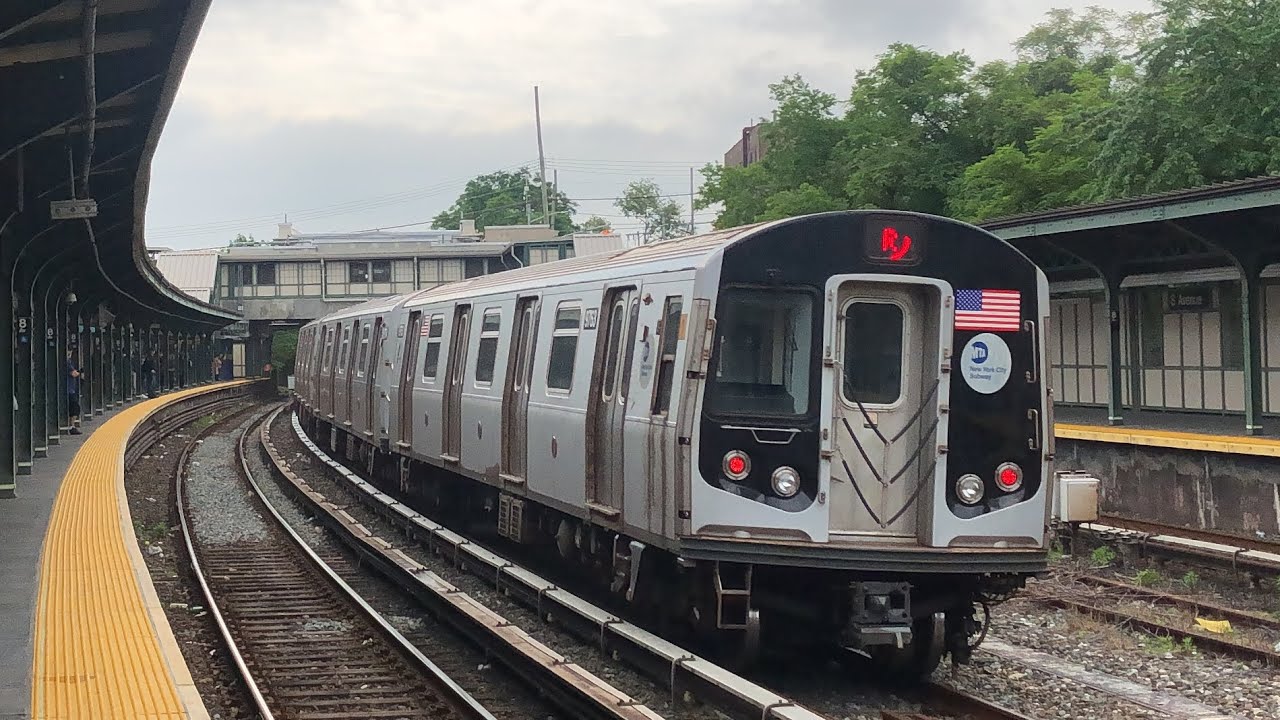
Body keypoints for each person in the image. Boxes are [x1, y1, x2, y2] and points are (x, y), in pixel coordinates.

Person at [66, 349, 83, 435]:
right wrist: (80, 372)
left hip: (69, 389)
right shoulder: (67, 362)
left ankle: (71, 426)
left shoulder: (68, 362)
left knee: (71, 408)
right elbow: (74, 373)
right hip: (70, 390)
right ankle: (71, 426)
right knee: (75, 408)